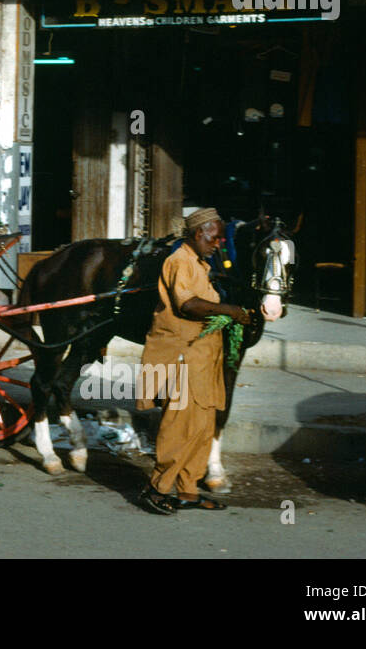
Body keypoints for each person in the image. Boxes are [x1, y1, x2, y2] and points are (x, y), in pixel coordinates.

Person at [136, 207, 251, 515]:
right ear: (200, 234)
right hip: (181, 357)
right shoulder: (179, 261)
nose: (218, 245)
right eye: (214, 239)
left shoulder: (201, 263)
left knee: (202, 427)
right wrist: (230, 311)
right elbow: (187, 304)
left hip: (203, 358)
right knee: (180, 427)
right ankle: (157, 488)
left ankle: (187, 490)